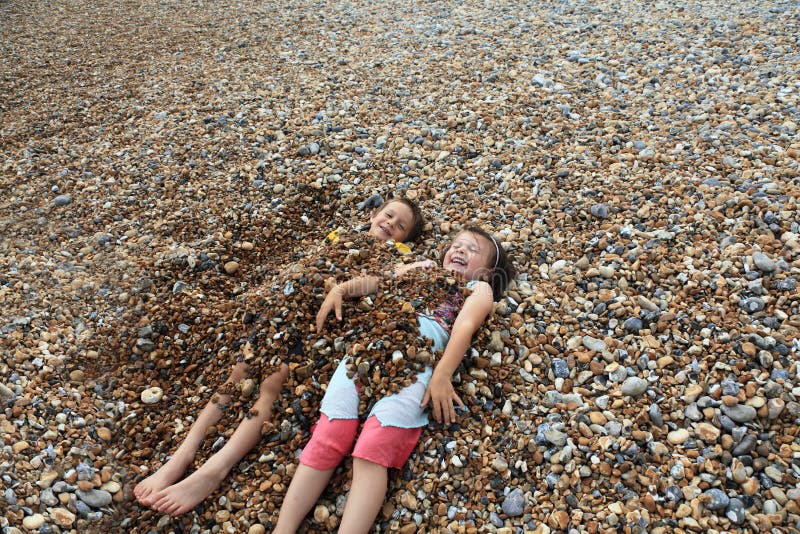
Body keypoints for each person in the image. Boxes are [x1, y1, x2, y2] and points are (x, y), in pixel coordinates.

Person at [133, 197, 425, 516]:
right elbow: (304, 267)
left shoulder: (393, 254)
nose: (390, 225)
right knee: (237, 374)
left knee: (272, 385)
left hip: (321, 326)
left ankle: (214, 469)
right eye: (389, 215)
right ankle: (182, 456)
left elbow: (383, 280)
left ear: (404, 240)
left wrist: (343, 289)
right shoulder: (340, 236)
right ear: (374, 214)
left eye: (400, 227)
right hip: (284, 311)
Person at [273, 226, 514, 533]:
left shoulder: (479, 290)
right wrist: (341, 289)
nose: (460, 250)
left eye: (472, 249)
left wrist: (441, 375)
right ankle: (283, 528)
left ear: (488, 272)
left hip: (417, 364)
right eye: (456, 245)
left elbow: (464, 327)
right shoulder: (424, 268)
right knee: (327, 435)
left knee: (373, 451)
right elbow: (381, 280)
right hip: (365, 353)